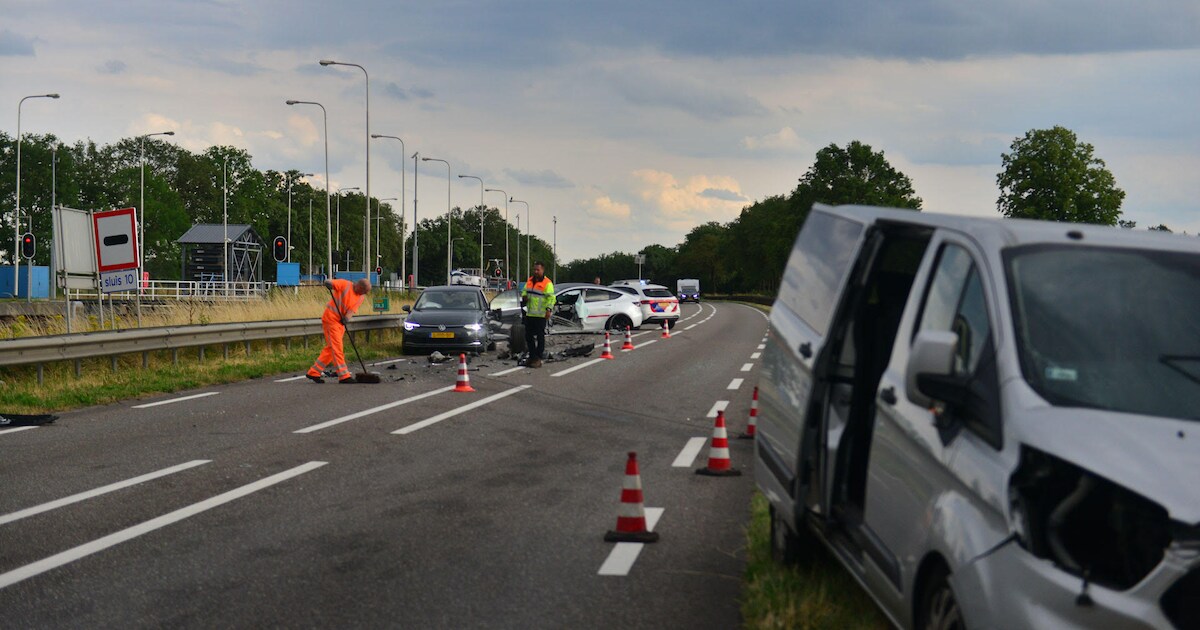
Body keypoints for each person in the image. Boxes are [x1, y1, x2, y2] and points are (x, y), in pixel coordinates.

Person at [307, 277, 371, 383]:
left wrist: (346, 319)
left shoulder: (361, 297)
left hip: (340, 323)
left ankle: (314, 372)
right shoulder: (345, 285)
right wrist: (328, 284)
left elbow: (351, 310)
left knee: (331, 348)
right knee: (337, 348)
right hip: (331, 319)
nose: (364, 294)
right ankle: (344, 376)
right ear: (359, 286)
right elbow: (329, 282)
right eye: (364, 291)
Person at [520, 261, 556, 368]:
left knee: (540, 337)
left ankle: (538, 358)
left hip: (541, 315)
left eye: (538, 270)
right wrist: (524, 296)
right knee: (528, 336)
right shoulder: (530, 281)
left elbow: (551, 298)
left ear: (542, 270)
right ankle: (532, 356)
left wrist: (549, 309)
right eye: (534, 269)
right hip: (530, 314)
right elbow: (524, 291)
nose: (536, 271)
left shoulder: (547, 283)